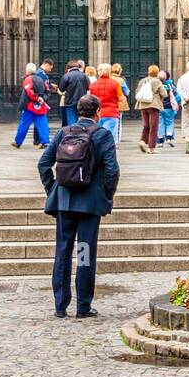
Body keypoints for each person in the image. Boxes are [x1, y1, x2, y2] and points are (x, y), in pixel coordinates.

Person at [38, 92, 120, 320]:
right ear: (98, 112)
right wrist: (105, 196)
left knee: (63, 252)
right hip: (89, 205)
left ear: (77, 111)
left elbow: (43, 163)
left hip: (64, 202)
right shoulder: (102, 134)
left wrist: (53, 190)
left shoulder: (64, 132)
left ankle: (60, 306)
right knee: (84, 252)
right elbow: (112, 171)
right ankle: (83, 306)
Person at [12, 62, 51, 148]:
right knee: (42, 124)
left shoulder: (28, 79)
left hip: (30, 105)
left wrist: (36, 98)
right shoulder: (41, 79)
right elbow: (47, 90)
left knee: (24, 124)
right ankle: (45, 142)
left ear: (27, 71)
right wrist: (42, 98)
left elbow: (29, 91)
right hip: (40, 105)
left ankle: (18, 142)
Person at [135, 64, 167, 153]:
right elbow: (164, 94)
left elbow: (137, 91)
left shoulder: (142, 81)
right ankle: (151, 148)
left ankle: (142, 141)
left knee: (146, 125)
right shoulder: (157, 81)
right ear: (157, 72)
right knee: (153, 127)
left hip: (143, 105)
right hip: (153, 106)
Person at [90, 63, 121, 143]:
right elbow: (121, 97)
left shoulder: (93, 85)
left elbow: (90, 98)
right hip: (112, 113)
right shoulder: (115, 84)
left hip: (98, 113)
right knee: (109, 136)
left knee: (98, 133)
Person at [58, 62, 90, 128]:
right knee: (81, 119)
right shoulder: (84, 75)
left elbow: (61, 89)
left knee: (71, 120)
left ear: (68, 68)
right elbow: (88, 87)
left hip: (70, 101)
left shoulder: (66, 76)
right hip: (82, 102)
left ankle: (73, 134)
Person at [157, 70, 178, 147]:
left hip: (159, 107)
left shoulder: (157, 85)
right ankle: (169, 138)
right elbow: (177, 95)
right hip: (169, 107)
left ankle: (160, 141)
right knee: (169, 123)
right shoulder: (170, 85)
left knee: (160, 124)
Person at [111, 64, 130, 141]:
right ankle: (117, 139)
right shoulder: (121, 80)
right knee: (118, 121)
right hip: (119, 102)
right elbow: (127, 92)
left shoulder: (108, 78)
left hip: (108, 102)